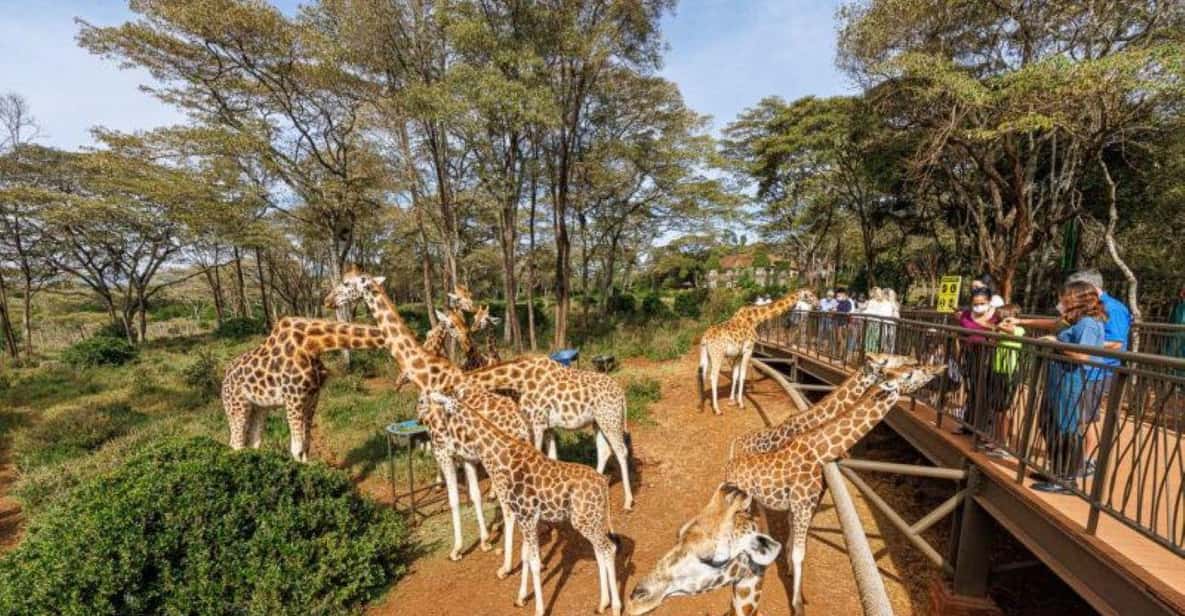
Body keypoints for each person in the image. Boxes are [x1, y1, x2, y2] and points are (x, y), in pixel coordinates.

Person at [1033, 280, 1109, 493]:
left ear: (1078, 298)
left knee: (1065, 426)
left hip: (1071, 379)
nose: (1062, 300)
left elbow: (1083, 355)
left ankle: (1067, 478)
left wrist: (1055, 343)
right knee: (1048, 422)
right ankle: (1056, 469)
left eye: (1065, 296)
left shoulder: (1088, 324)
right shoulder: (1074, 321)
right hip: (1057, 377)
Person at [954, 287, 999, 435]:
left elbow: (1000, 332)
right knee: (971, 389)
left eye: (982, 302)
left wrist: (986, 325)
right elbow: (960, 331)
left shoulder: (995, 315)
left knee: (985, 391)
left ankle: (983, 428)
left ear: (989, 301)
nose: (979, 305)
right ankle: (968, 424)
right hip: (970, 354)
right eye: (976, 303)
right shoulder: (966, 314)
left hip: (987, 355)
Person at [986, 304, 1026, 458]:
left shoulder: (1019, 330)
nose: (999, 321)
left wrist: (1000, 324)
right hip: (998, 370)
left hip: (1009, 373)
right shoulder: (1002, 329)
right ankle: (997, 440)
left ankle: (1005, 444)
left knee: (1004, 409)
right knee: (997, 408)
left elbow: (1008, 330)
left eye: (1002, 318)